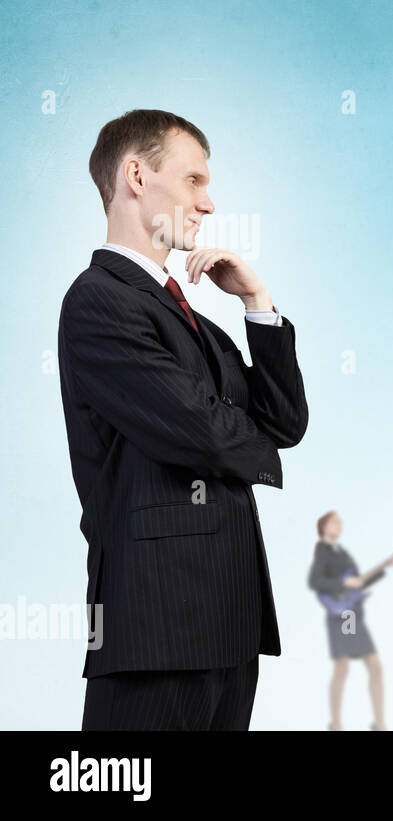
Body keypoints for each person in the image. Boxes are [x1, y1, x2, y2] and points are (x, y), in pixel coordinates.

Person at [60, 109, 308, 730]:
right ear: (137, 175)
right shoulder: (98, 300)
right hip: (156, 629)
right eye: (194, 180)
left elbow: (284, 422)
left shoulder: (198, 324)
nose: (209, 202)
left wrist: (257, 305)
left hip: (226, 624)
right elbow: (202, 434)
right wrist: (226, 430)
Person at [308, 511, 393, 730]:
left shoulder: (343, 553)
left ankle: (379, 723)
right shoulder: (323, 552)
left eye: (340, 522)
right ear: (323, 526)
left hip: (354, 615)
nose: (339, 525)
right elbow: (316, 581)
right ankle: (337, 724)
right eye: (334, 522)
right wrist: (343, 584)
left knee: (373, 666)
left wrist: (383, 567)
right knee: (344, 667)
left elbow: (359, 583)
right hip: (344, 616)